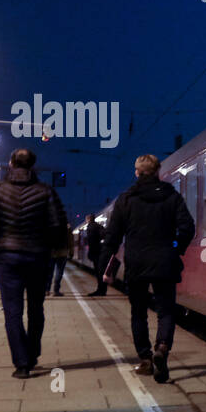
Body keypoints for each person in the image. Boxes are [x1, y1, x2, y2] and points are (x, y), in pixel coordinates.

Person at [97, 154, 194, 383]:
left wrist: (104, 265)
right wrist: (175, 246)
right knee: (166, 310)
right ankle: (162, 348)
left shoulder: (126, 199)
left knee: (138, 312)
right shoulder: (172, 196)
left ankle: (146, 359)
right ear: (158, 172)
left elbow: (112, 236)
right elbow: (187, 227)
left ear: (137, 173)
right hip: (165, 261)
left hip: (137, 262)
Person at [0, 148, 68, 378]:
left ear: (11, 164)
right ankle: (33, 352)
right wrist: (48, 247)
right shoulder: (45, 191)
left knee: (12, 311)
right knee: (36, 308)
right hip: (37, 257)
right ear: (33, 166)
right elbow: (59, 225)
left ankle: (22, 363)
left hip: (7, 258)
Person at [85, 214, 108, 296]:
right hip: (101, 251)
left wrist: (90, 252)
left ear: (88, 219)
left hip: (95, 252)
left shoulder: (90, 227)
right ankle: (103, 289)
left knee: (98, 272)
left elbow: (91, 242)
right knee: (101, 271)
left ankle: (100, 290)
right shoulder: (99, 226)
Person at [47, 220, 72, 296]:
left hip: (50, 252)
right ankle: (56, 290)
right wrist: (71, 251)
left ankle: (46, 290)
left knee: (49, 272)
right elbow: (70, 240)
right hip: (62, 252)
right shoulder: (67, 226)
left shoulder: (49, 224)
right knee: (59, 272)